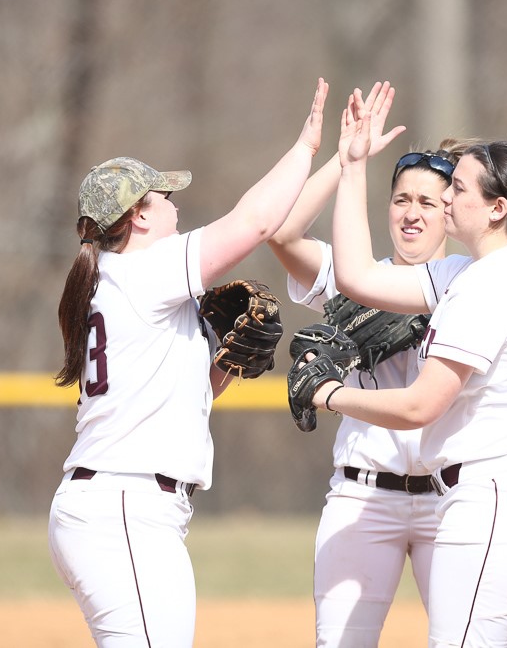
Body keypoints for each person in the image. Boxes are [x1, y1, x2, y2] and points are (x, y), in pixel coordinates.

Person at [47, 78, 328, 648]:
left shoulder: (117, 283)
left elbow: (182, 392)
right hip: (124, 510)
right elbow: (253, 223)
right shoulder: (143, 273)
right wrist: (306, 149)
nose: (174, 204)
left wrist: (224, 364)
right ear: (139, 218)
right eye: (162, 197)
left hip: (119, 508)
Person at [297, 91, 507, 647]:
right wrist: (353, 169)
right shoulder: (472, 272)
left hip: (494, 503)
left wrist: (328, 394)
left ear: (497, 208)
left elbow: (419, 406)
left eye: (459, 187)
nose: (445, 195)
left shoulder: (486, 286)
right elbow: (357, 277)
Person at [268, 81, 477, 646]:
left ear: (451, 214)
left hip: (449, 499)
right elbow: (283, 232)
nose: (412, 214)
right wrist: (348, 159)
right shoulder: (357, 275)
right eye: (401, 199)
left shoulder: (472, 286)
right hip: (363, 497)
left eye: (428, 202)